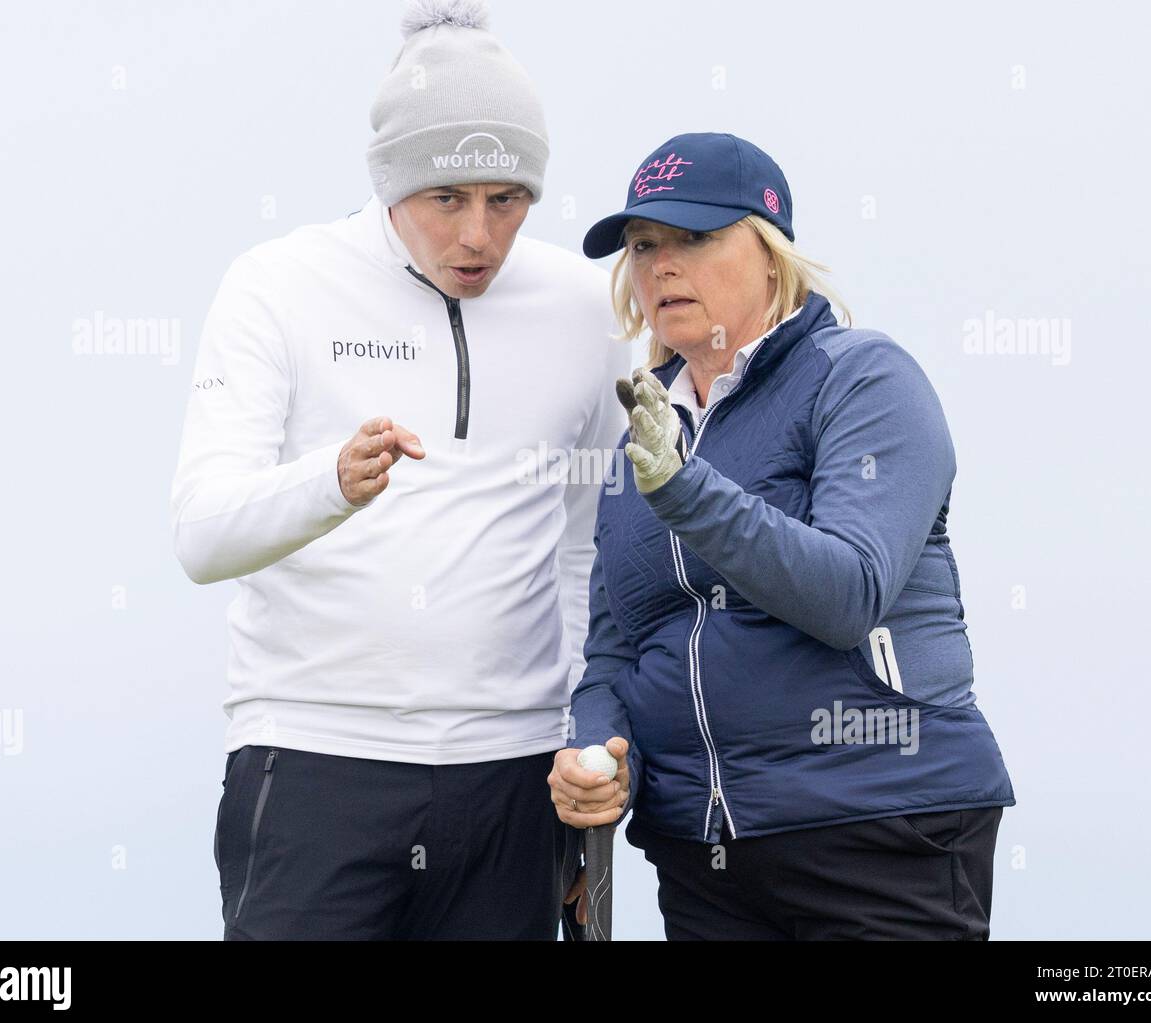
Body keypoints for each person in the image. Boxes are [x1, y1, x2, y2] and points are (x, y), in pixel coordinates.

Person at [170, 1, 628, 940]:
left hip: (515, 774)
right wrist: (329, 484)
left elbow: (590, 551)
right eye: (447, 199)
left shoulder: (587, 306)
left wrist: (584, 734)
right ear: (389, 183)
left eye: (508, 199)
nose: (479, 237)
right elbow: (202, 535)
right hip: (312, 759)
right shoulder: (276, 283)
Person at [550, 132, 1017, 940]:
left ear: (770, 255)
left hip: (882, 827)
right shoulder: (644, 431)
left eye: (694, 238)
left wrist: (683, 488)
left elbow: (848, 593)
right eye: (643, 245)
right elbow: (615, 653)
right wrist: (594, 755)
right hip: (703, 856)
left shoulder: (863, 377)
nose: (662, 265)